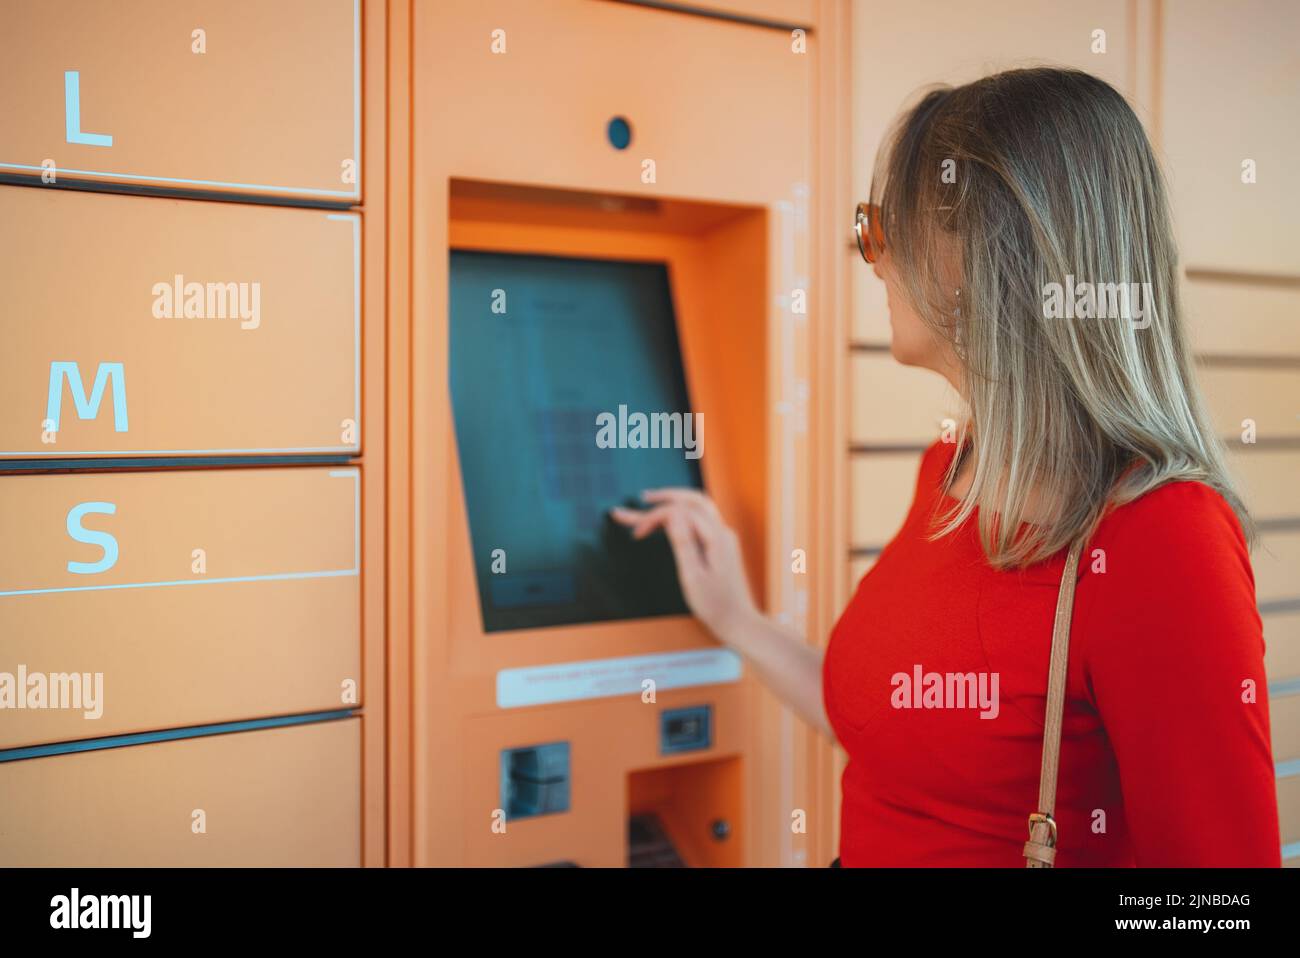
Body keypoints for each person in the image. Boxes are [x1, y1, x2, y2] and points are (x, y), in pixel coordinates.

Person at [612, 67, 1282, 867]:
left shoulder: (1161, 538)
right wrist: (738, 621)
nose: (871, 259)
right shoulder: (950, 471)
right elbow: (897, 730)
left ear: (981, 249)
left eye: (880, 229)